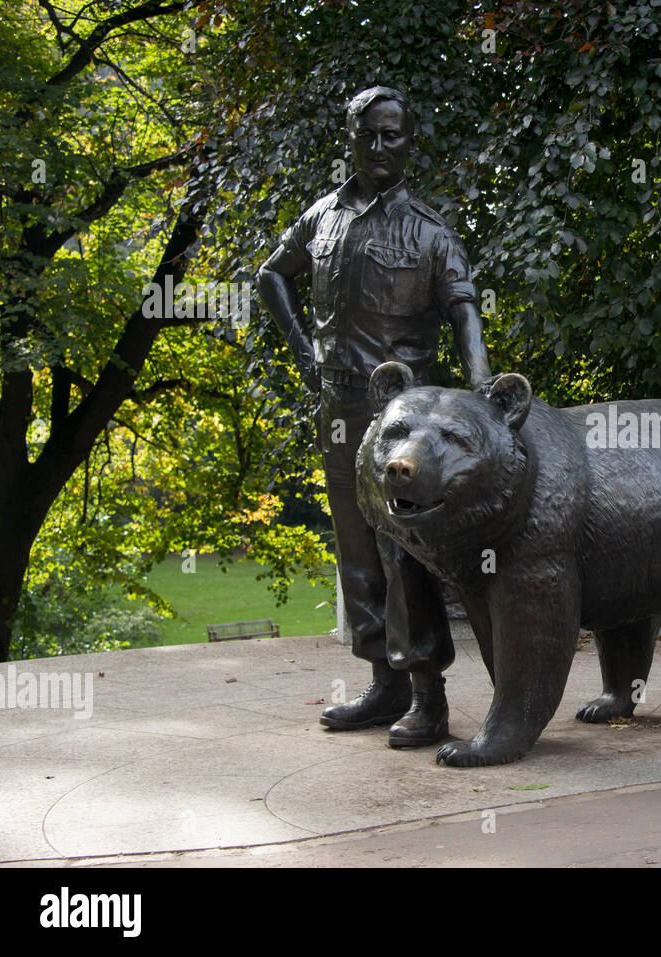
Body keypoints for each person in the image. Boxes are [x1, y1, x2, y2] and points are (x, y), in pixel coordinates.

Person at [256, 86, 492, 748]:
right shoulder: (322, 217)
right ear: (352, 138)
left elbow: (464, 310)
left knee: (400, 550)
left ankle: (426, 692)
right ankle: (382, 681)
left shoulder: (429, 230)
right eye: (370, 134)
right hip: (338, 406)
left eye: (394, 135)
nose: (381, 146)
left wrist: (482, 391)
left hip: (401, 416)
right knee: (356, 546)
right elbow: (271, 275)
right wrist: (304, 354)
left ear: (410, 143)